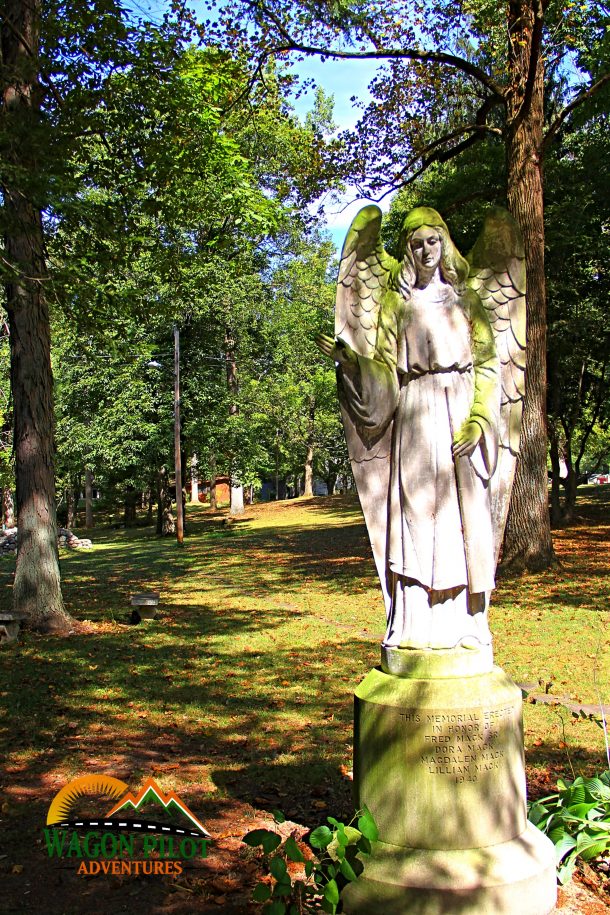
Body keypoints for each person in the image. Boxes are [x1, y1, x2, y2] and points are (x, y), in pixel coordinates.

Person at [317, 207, 501, 650]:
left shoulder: (466, 301)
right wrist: (350, 361)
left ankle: (467, 622)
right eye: (416, 244)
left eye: (432, 242)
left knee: (461, 516)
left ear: (444, 243)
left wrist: (479, 420)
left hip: (459, 413)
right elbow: (384, 371)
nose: (425, 251)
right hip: (416, 417)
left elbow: (490, 365)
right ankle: (414, 621)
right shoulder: (396, 306)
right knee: (417, 514)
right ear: (407, 249)